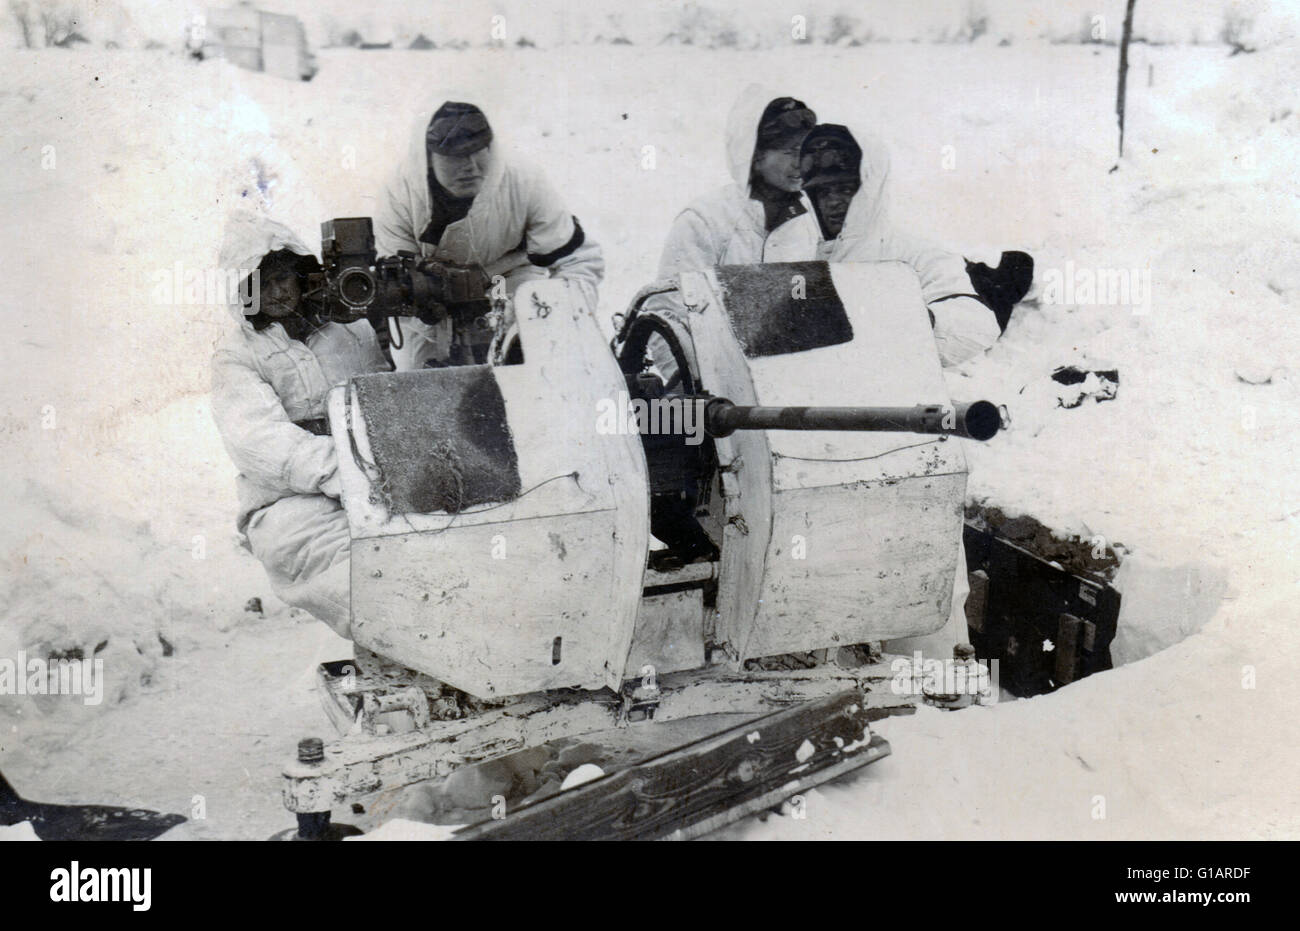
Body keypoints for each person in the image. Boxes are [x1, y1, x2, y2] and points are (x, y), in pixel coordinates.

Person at [210, 210, 390, 639]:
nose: (276, 291)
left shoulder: (350, 329)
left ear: (301, 275)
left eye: (283, 278)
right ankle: (398, 649)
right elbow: (259, 441)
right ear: (243, 291)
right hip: (289, 502)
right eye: (261, 283)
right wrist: (342, 474)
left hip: (375, 478)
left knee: (431, 545)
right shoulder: (236, 355)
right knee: (354, 573)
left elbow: (384, 399)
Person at [375, 99, 604, 369]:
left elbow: (578, 261)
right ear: (428, 158)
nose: (470, 165)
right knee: (420, 386)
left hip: (511, 281)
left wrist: (553, 316)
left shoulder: (524, 180)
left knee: (542, 368)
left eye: (477, 150)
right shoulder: (399, 195)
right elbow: (399, 285)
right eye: (455, 156)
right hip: (431, 305)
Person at [799, 122, 1030, 367]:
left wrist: (923, 319)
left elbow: (978, 323)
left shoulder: (910, 251)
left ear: (868, 189)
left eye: (845, 189)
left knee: (1000, 285)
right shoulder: (803, 253)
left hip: (954, 283)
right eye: (823, 193)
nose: (833, 201)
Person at [657, 85, 822, 279]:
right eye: (790, 152)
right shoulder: (706, 220)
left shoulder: (815, 221)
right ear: (755, 156)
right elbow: (675, 299)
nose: (801, 163)